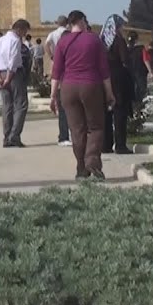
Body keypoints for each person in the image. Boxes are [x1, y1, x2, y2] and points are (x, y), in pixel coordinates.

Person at [49, 11, 114, 179]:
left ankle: (81, 169)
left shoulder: (63, 42)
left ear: (70, 23)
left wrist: (52, 96)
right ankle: (92, 160)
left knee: (77, 130)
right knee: (96, 126)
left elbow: (56, 72)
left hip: (68, 88)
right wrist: (109, 92)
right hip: (91, 85)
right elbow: (104, 70)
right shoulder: (94, 39)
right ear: (82, 21)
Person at [0, 20, 32, 147]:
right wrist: (9, 78)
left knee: (7, 106)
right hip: (13, 74)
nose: (24, 34)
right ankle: (14, 136)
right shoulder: (15, 41)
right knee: (21, 104)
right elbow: (13, 60)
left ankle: (7, 136)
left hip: (0, 73)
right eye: (25, 31)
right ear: (20, 29)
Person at [102, 15, 135, 155]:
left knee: (106, 112)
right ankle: (120, 145)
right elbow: (125, 60)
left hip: (104, 78)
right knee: (120, 111)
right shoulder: (118, 40)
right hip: (118, 78)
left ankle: (105, 145)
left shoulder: (101, 41)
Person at [44, 16, 69, 146]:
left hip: (57, 64)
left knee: (61, 101)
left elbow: (46, 45)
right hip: (70, 66)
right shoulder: (69, 34)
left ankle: (64, 135)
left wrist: (52, 56)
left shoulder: (52, 34)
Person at [127, 33, 149, 116]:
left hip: (129, 73)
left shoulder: (125, 49)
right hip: (140, 72)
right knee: (141, 91)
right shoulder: (141, 48)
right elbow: (145, 60)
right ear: (136, 39)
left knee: (132, 92)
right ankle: (139, 110)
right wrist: (150, 71)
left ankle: (132, 110)